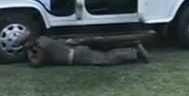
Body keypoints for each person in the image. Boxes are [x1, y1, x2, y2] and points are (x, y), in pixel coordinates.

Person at [18, 32, 149, 66]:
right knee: (106, 52)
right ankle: (132, 47)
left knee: (106, 59)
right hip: (77, 51)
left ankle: (135, 53)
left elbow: (36, 63)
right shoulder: (42, 39)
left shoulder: (41, 47)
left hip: (77, 56)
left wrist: (29, 52)